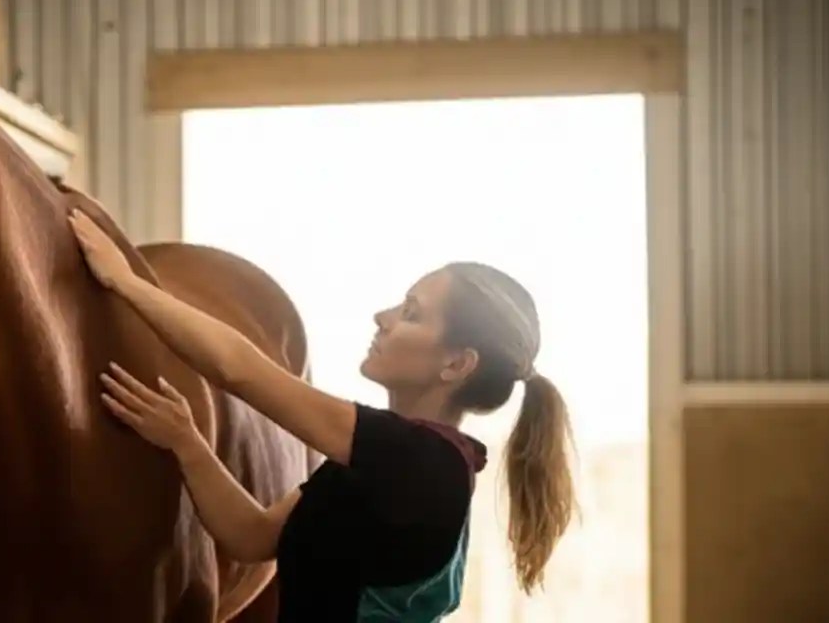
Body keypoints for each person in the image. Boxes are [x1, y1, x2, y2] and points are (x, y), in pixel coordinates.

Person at [68, 210, 576, 622]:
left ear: (457, 364)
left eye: (412, 313)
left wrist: (126, 282)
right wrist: (187, 441)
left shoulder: (423, 463)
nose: (384, 318)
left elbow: (238, 369)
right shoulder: (372, 462)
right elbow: (252, 536)